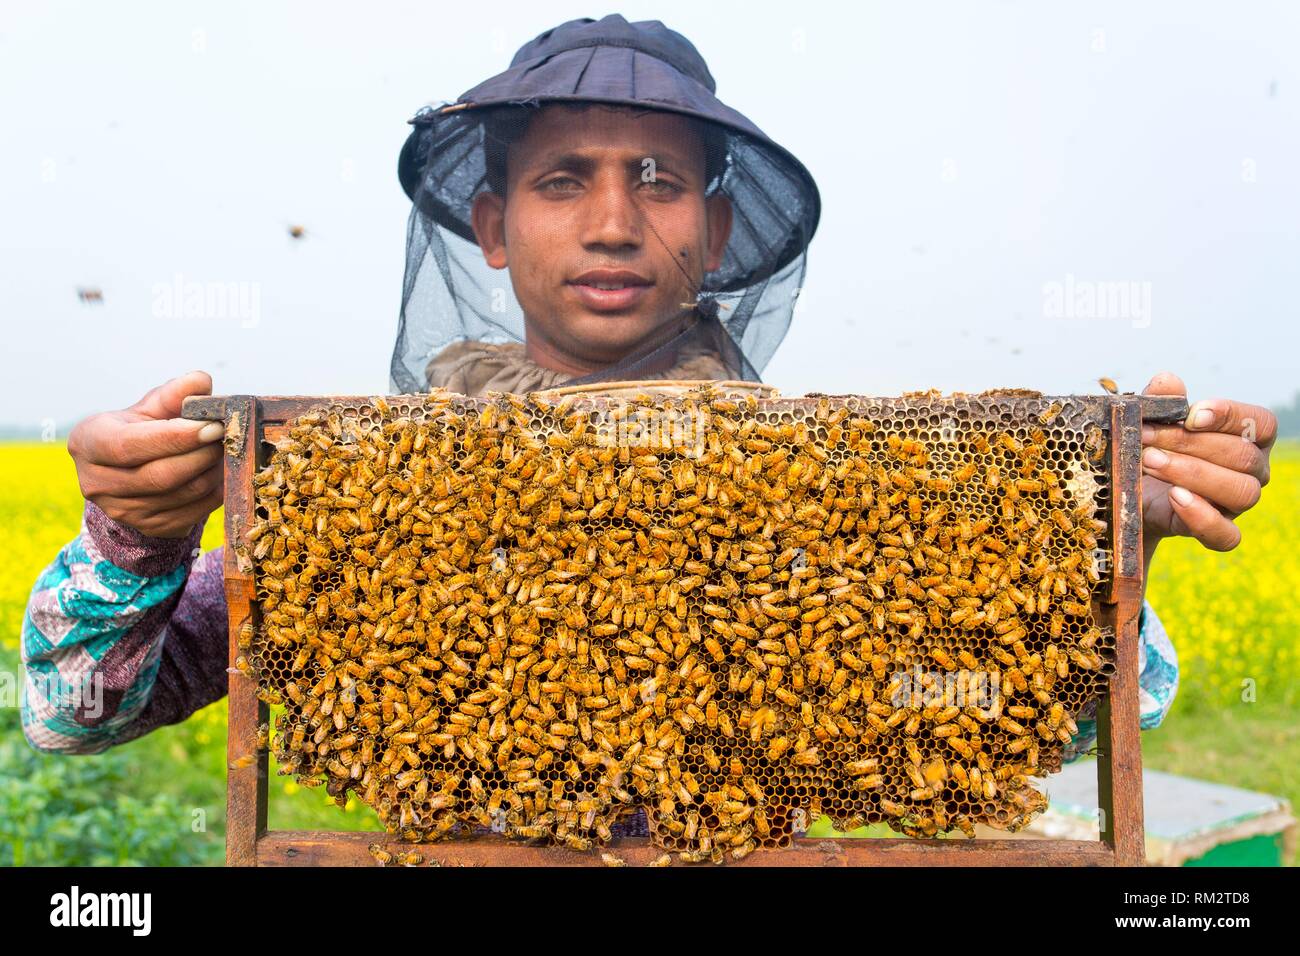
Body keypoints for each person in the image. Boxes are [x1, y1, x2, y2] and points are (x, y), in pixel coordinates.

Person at [19, 16, 1277, 831]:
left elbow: (1045, 720)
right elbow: (76, 711)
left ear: (717, 234)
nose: (615, 221)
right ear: (494, 227)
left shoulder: (827, 501)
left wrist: (1111, 539)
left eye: (660, 180)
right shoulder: (373, 499)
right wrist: (135, 539)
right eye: (563, 179)